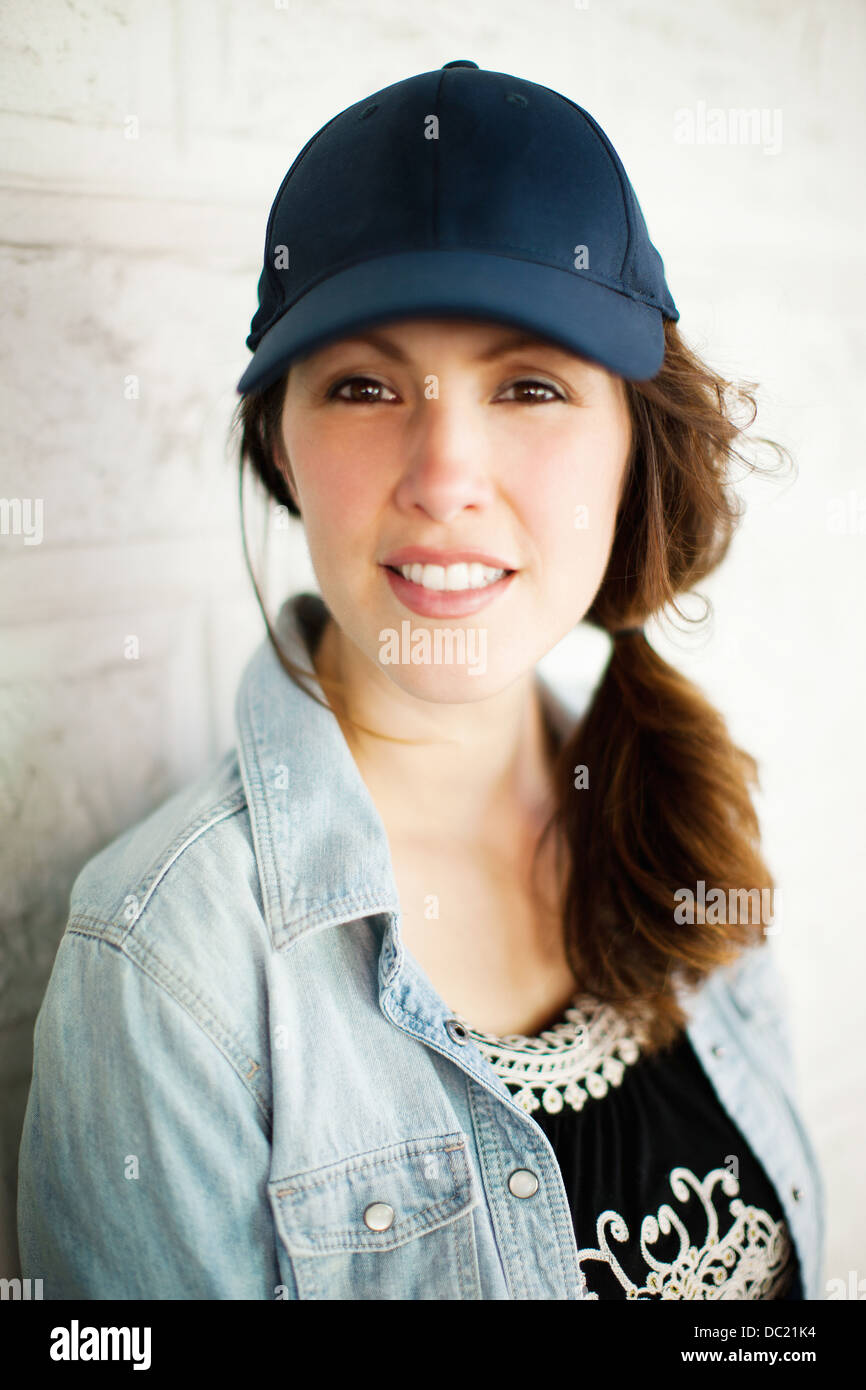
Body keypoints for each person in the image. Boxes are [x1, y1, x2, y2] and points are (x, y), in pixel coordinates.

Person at [17, 59, 824, 1301]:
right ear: (280, 446)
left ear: (632, 450)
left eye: (530, 386)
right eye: (363, 386)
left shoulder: (687, 813)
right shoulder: (164, 968)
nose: (443, 473)